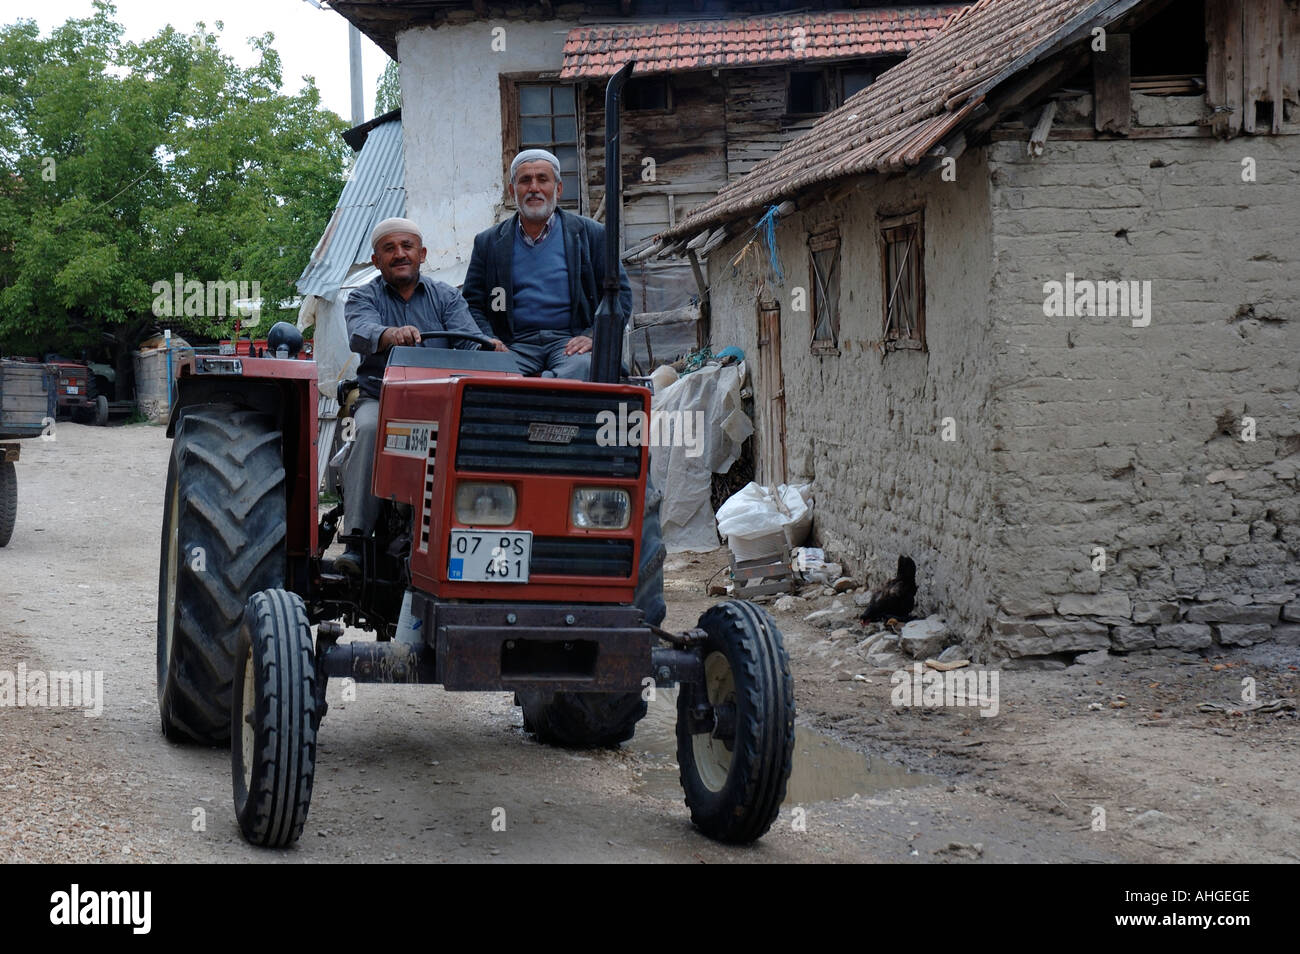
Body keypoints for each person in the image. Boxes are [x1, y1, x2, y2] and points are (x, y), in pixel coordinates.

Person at [338, 217, 485, 577]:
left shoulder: (447, 297)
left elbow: (468, 338)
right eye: (389, 249)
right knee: (369, 429)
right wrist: (389, 334)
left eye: (407, 247)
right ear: (376, 260)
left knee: (480, 434)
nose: (399, 254)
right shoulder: (362, 297)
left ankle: (475, 529)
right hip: (383, 399)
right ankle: (356, 538)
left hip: (439, 405)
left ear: (422, 254)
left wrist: (489, 348)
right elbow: (361, 332)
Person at [462, 148, 632, 379]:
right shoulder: (488, 243)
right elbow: (473, 304)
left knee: (584, 368)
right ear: (513, 191)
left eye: (543, 179)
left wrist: (594, 335)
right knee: (486, 375)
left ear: (558, 189)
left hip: (569, 344)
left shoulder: (591, 234)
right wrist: (490, 340)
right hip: (513, 346)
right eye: (525, 181)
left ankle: (547, 388)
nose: (534, 188)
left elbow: (619, 294)